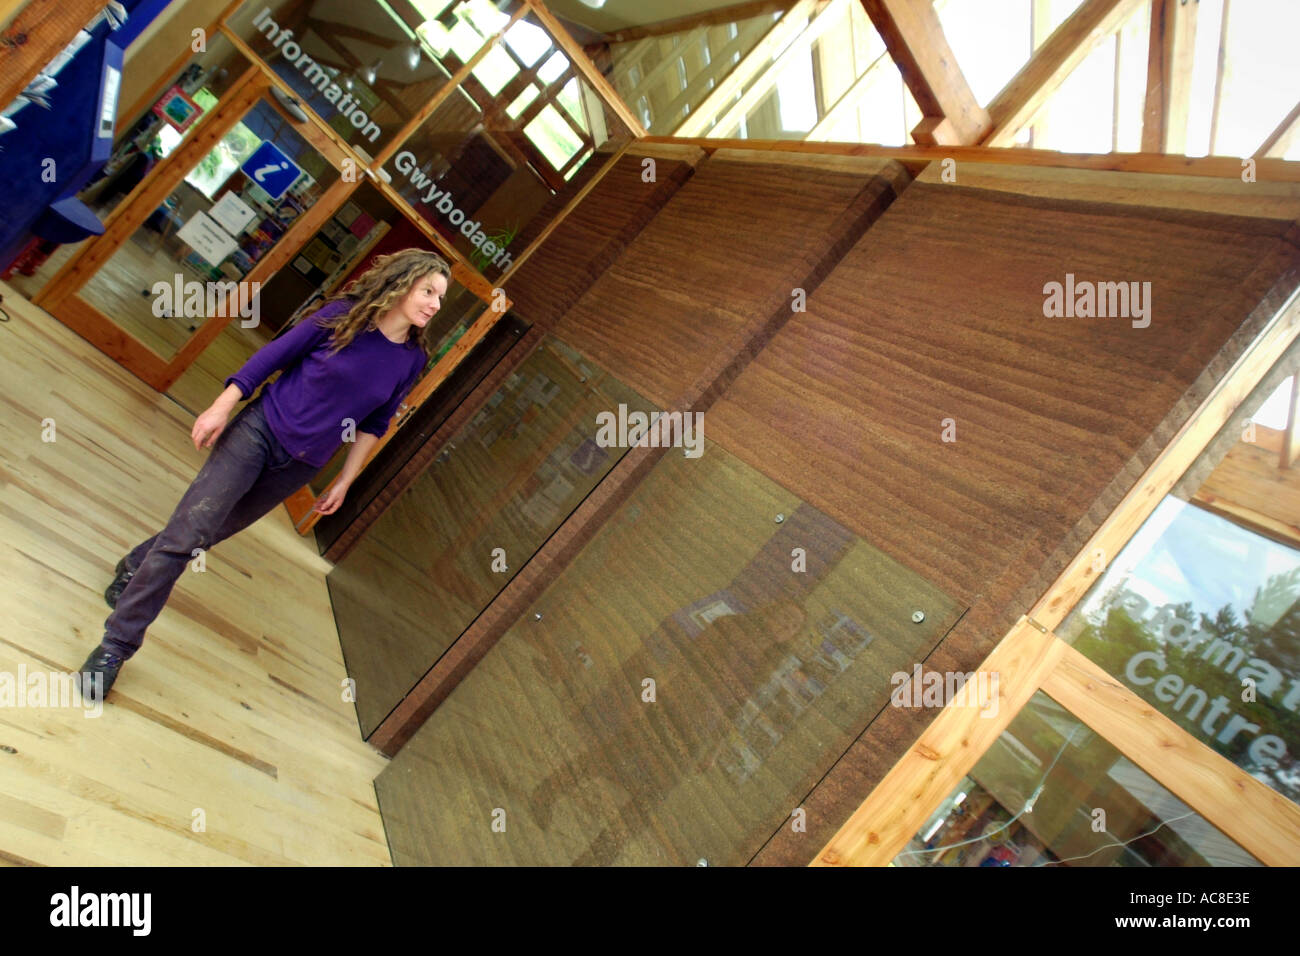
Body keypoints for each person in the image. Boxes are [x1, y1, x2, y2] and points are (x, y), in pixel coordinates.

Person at [79, 248, 451, 701]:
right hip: (257, 433)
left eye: (440, 298)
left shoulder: (411, 359)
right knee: (188, 535)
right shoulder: (342, 317)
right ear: (401, 283)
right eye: (427, 290)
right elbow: (269, 359)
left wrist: (344, 480)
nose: (433, 304)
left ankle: (136, 563)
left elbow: (376, 423)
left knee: (201, 534)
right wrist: (222, 406)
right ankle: (115, 648)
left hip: (300, 464)